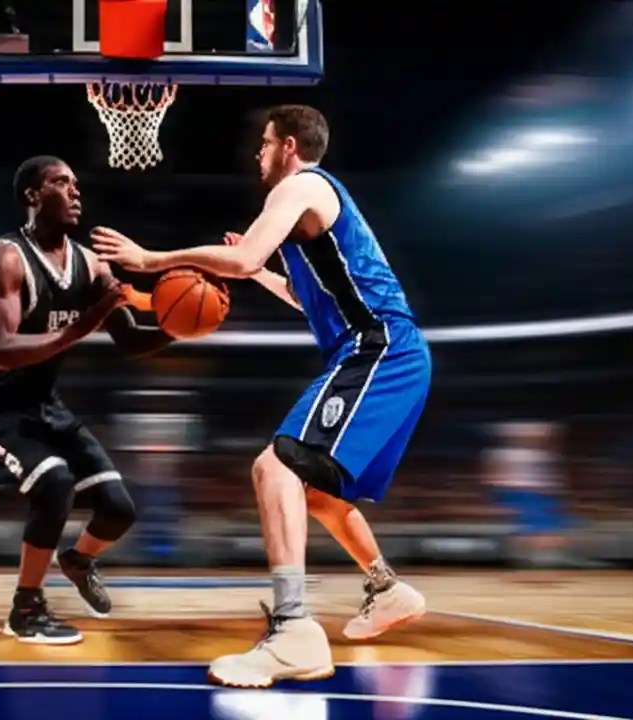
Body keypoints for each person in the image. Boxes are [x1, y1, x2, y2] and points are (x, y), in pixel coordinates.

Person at [93, 105, 430, 687]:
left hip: (378, 350)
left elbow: (245, 254)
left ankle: (294, 629)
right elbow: (306, 299)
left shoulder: (301, 186)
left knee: (273, 468)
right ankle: (386, 588)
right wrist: (259, 276)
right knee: (315, 493)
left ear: (290, 146)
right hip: (388, 353)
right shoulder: (312, 214)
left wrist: (152, 260)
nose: (259, 153)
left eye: (266, 143)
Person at [0, 155, 173, 644]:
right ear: (33, 195)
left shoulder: (91, 264)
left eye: (76, 184)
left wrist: (184, 325)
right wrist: (86, 323)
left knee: (118, 508)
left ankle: (79, 560)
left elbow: (130, 339)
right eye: (61, 183)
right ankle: (25, 609)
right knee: (55, 483)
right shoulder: (3, 258)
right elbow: (3, 352)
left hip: (43, 403)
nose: (75, 192)